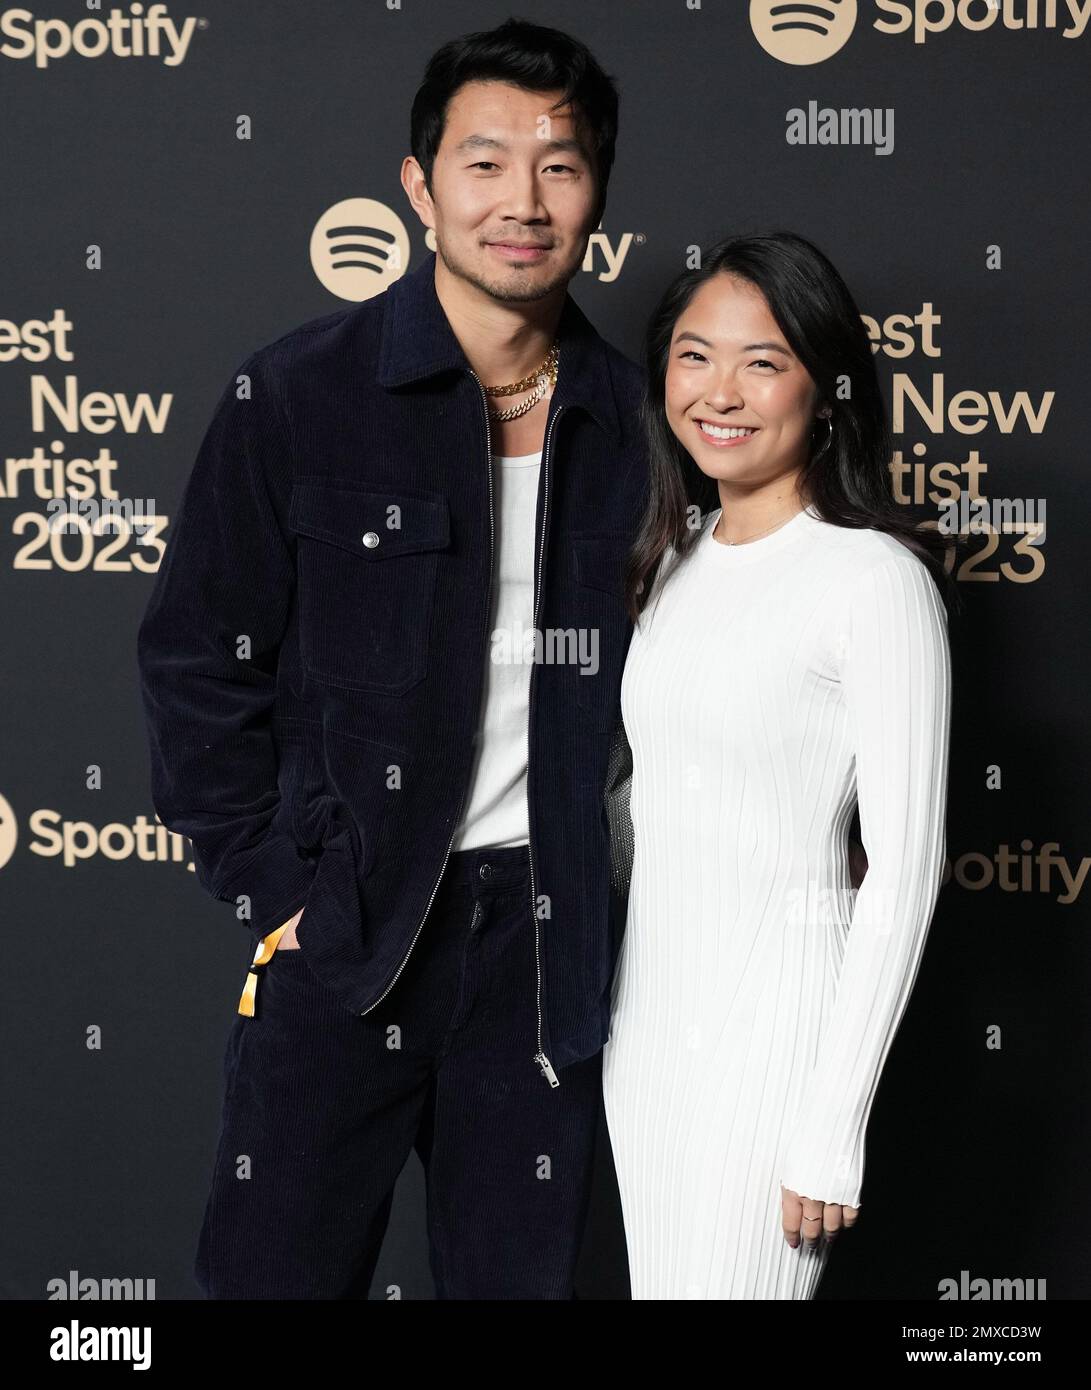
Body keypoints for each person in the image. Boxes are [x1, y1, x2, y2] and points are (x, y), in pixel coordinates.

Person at [136, 18, 648, 1299]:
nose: (521, 201)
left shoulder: (646, 425)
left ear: (597, 193)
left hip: (549, 956)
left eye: (558, 164)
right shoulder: (296, 395)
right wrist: (278, 890)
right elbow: (196, 657)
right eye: (484, 162)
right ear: (419, 188)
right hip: (347, 932)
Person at [601, 231, 956, 1299]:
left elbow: (903, 873)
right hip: (643, 1040)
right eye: (693, 355)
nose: (720, 392)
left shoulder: (873, 580)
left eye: (761, 362)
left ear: (826, 389)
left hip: (775, 1048)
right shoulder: (671, 557)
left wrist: (831, 1119)